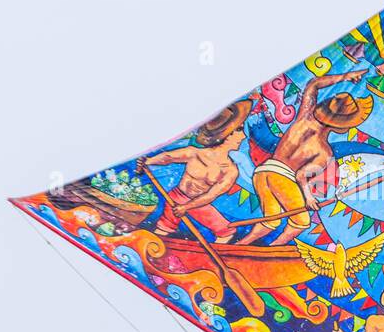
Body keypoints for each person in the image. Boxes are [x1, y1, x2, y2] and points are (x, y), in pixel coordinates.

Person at [240, 68, 372, 246]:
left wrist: (344, 76)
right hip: (281, 178)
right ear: (343, 126)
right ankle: (272, 249)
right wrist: (308, 197)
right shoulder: (324, 152)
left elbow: (314, 84)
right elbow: (301, 175)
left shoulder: (304, 117)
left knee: (271, 220)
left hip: (263, 171)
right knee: (301, 222)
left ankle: (241, 245)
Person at [139, 100, 251, 244]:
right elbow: (168, 157)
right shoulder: (195, 153)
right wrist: (148, 162)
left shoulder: (230, 170)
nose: (243, 137)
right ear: (226, 134)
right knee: (164, 227)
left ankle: (211, 259)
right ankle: (152, 247)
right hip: (176, 197)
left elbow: (212, 195)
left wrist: (187, 207)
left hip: (199, 204)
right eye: (239, 130)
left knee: (226, 230)